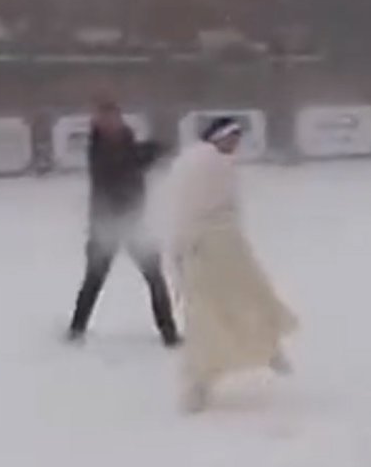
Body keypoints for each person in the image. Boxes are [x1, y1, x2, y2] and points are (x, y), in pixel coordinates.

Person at [167, 117, 298, 413]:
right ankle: (201, 382)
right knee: (213, 311)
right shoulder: (204, 163)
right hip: (207, 247)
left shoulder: (210, 164)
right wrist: (186, 247)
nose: (236, 144)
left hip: (223, 246)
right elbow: (188, 209)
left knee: (244, 299)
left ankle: (265, 349)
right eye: (232, 137)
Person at [67, 101, 180, 347]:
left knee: (155, 278)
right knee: (94, 280)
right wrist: (150, 154)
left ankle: (168, 332)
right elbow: (121, 166)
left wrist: (152, 152)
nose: (110, 124)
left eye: (113, 118)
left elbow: (133, 160)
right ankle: (76, 329)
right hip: (105, 223)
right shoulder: (96, 148)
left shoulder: (127, 142)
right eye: (104, 119)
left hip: (134, 221)